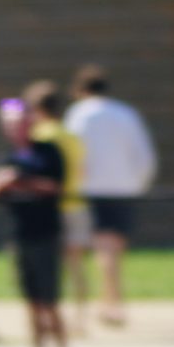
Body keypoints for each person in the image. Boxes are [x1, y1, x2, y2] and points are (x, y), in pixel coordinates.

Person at [0, 96, 70, 347]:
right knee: (31, 303)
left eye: (19, 123)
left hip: (47, 234)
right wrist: (3, 181)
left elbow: (54, 186)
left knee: (50, 301)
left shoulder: (48, 152)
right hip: (20, 237)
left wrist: (23, 181)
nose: (15, 129)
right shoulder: (6, 159)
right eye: (10, 125)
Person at [66, 65, 158, 330]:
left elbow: (74, 154)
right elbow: (144, 155)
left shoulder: (79, 115)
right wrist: (137, 184)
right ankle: (112, 300)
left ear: (80, 90)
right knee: (113, 246)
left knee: (101, 246)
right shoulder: (126, 113)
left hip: (92, 189)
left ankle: (109, 302)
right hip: (124, 187)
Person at [25, 83, 92, 338]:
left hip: (52, 207)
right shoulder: (71, 135)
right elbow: (84, 169)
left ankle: (49, 319)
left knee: (51, 269)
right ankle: (80, 319)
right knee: (76, 266)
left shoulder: (42, 135)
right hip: (76, 202)